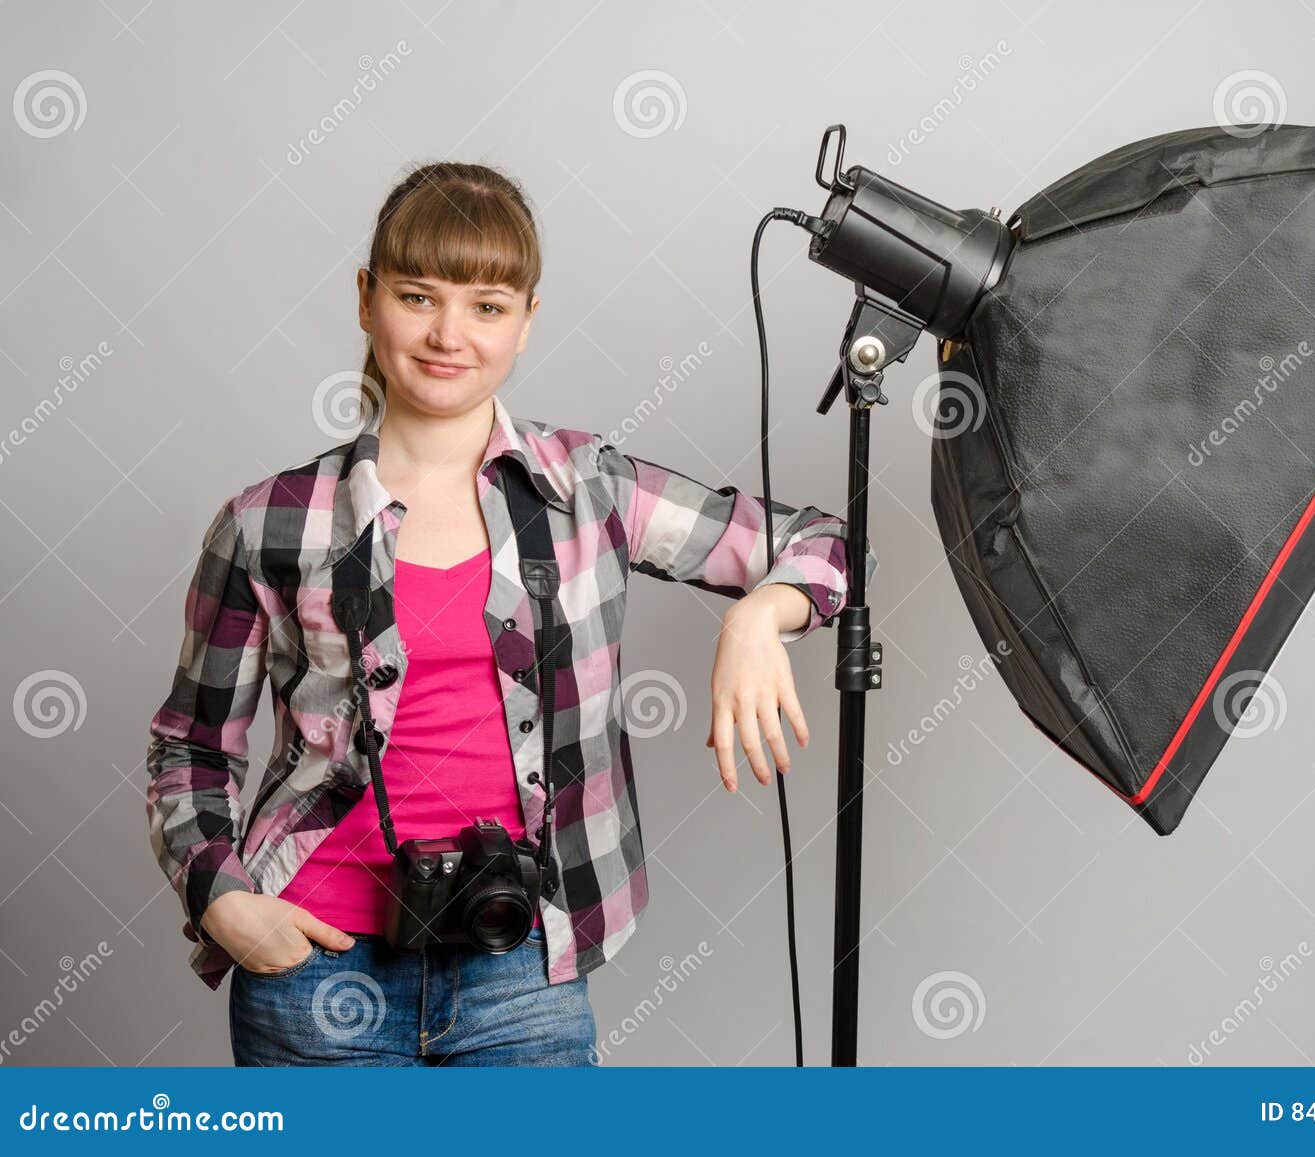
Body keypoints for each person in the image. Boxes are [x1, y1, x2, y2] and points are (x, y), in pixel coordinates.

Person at [144, 162, 854, 1066]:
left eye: (487, 305)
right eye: (417, 296)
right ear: (367, 301)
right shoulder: (269, 521)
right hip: (312, 968)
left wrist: (760, 617)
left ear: (526, 321)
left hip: (519, 964)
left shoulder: (588, 487)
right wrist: (220, 898)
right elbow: (191, 745)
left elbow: (827, 543)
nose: (449, 334)